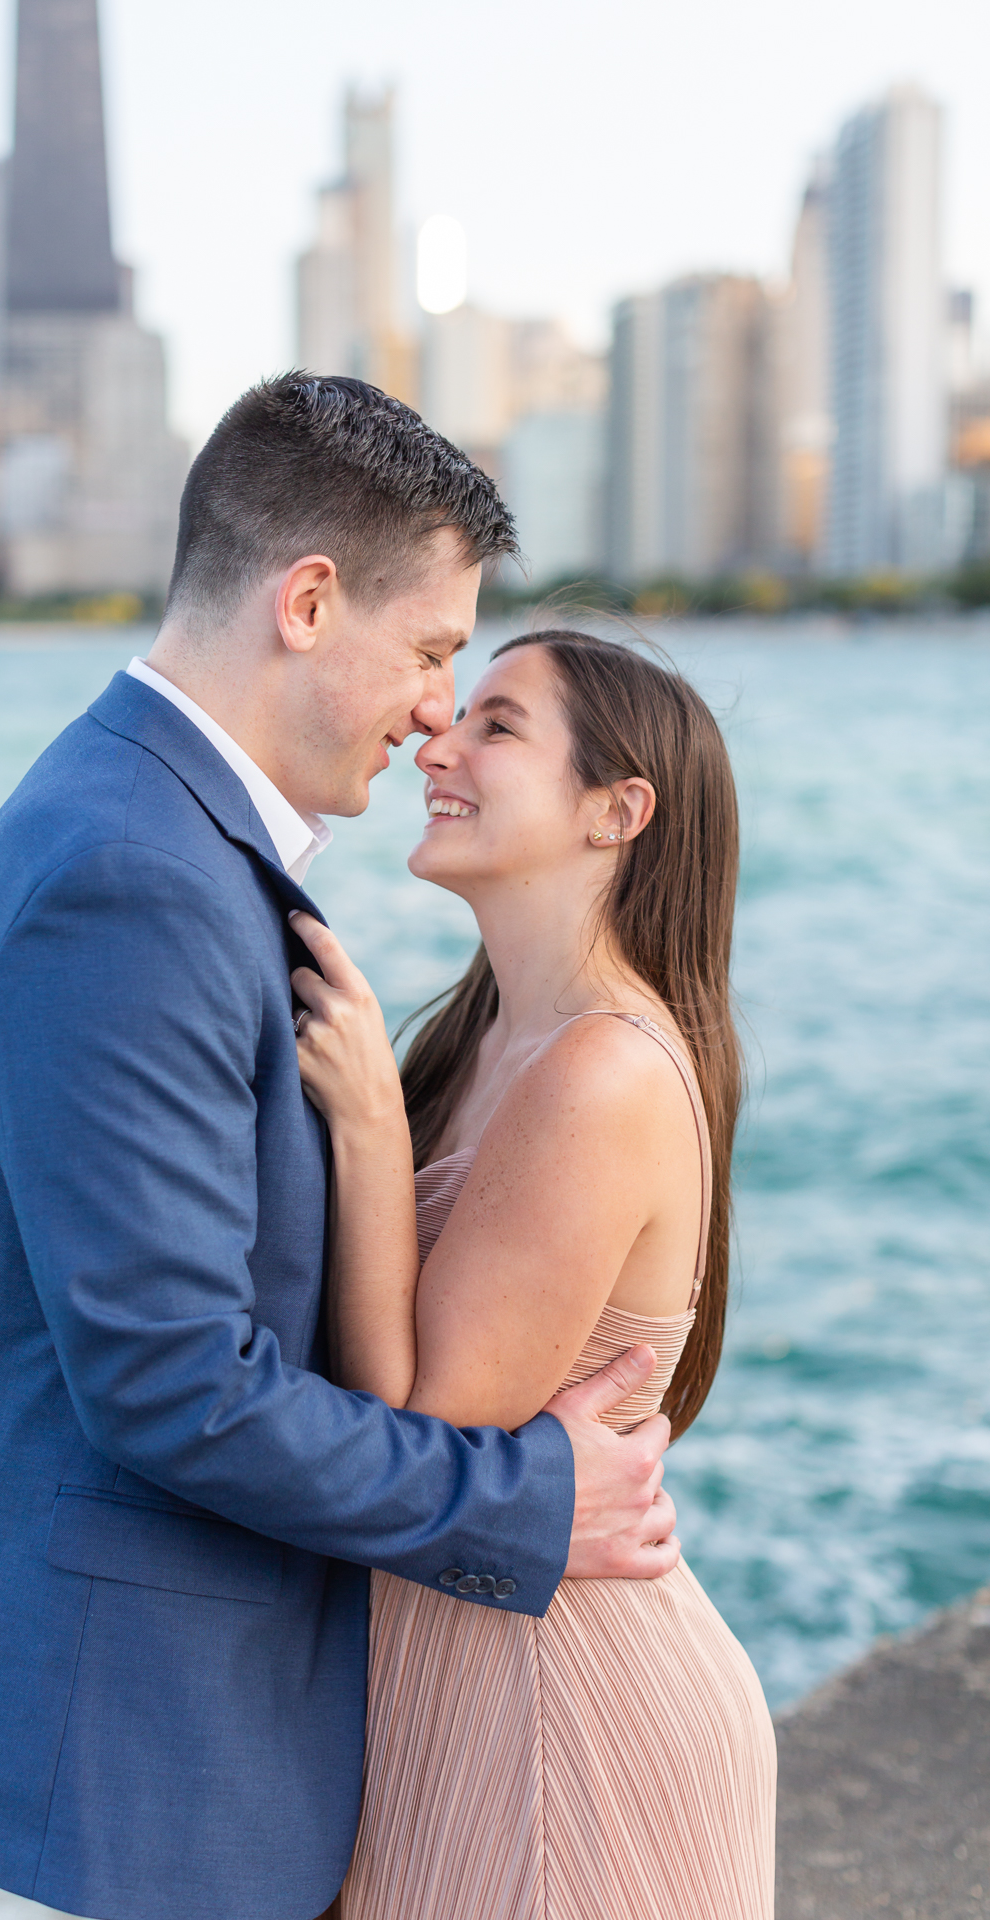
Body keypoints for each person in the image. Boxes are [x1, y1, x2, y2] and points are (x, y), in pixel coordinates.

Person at [0, 376, 681, 1920]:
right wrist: (527, 1500)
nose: (438, 709)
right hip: (134, 1765)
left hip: (137, 1730)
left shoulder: (156, 829)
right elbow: (171, 1384)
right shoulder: (133, 876)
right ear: (308, 603)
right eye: (432, 652)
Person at [290, 629, 778, 1920]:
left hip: (567, 1724)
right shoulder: (482, 1039)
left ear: (618, 811)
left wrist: (368, 1129)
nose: (435, 744)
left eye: (497, 725)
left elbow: (423, 1425)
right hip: (469, 1694)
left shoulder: (603, 1073)